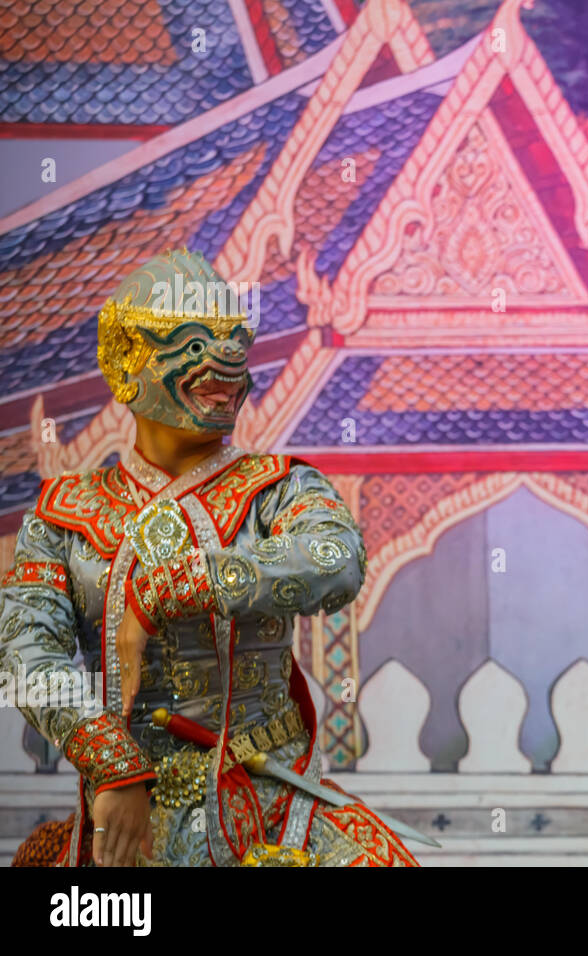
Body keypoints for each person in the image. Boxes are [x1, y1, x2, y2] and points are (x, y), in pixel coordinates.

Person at [2, 249, 417, 866]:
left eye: (234, 344)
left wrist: (175, 588)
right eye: (193, 345)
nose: (224, 361)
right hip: (123, 810)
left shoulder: (278, 489)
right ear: (127, 361)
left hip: (270, 801)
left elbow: (335, 559)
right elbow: (26, 652)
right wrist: (111, 764)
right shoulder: (65, 512)